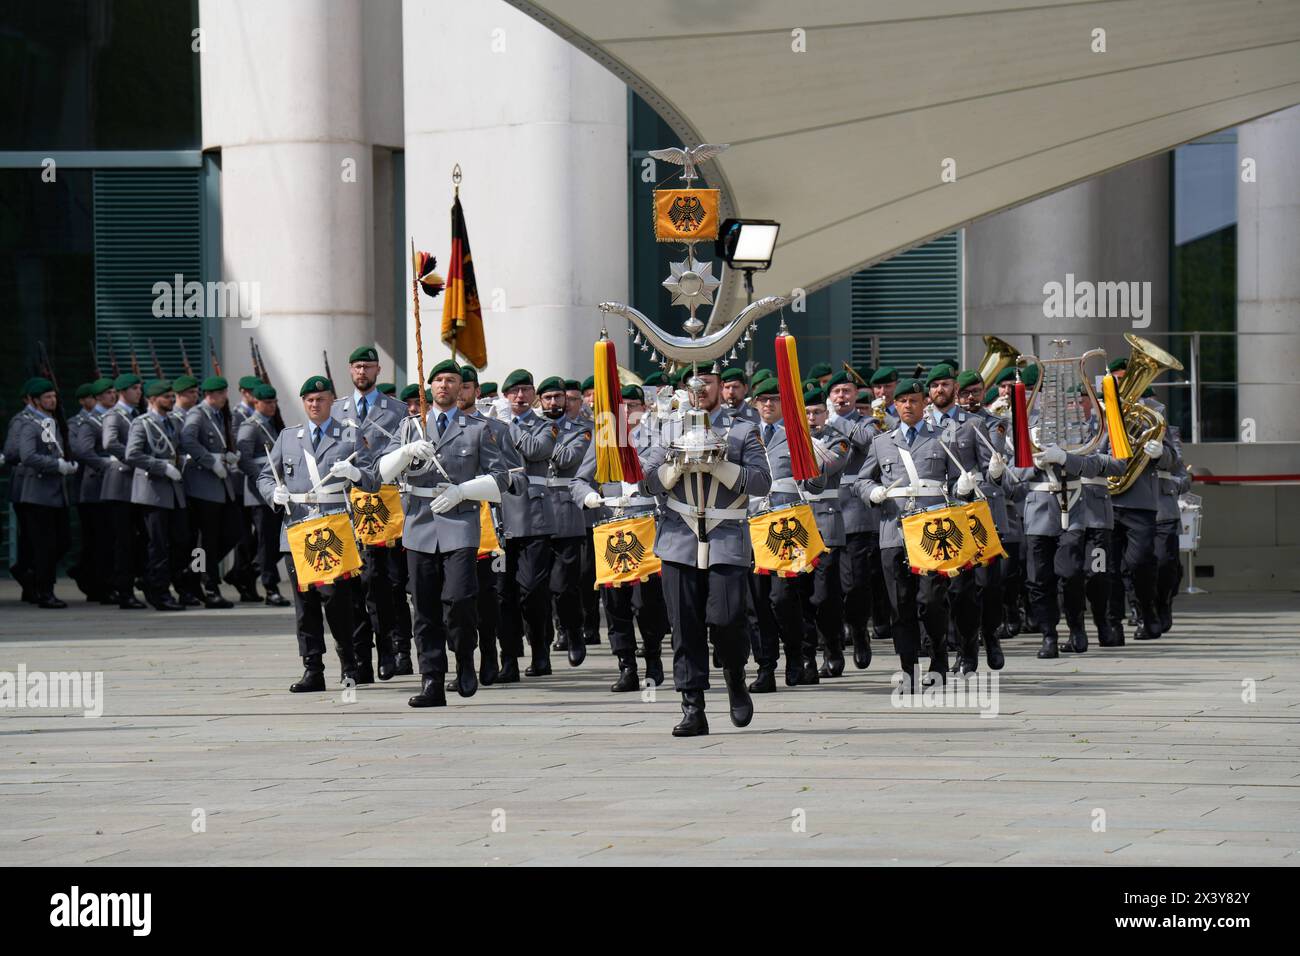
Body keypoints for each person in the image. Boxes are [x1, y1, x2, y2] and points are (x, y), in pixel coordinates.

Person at [641, 363, 771, 737]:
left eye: (708, 383)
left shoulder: (743, 430)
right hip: (678, 536)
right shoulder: (667, 430)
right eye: (693, 384)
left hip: (726, 534)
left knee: (728, 619)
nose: (700, 390)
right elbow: (647, 480)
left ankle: (734, 677)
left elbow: (762, 482)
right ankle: (692, 705)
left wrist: (720, 467)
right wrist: (673, 470)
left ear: (719, 387)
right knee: (684, 625)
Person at [377, 359, 508, 707]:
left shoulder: (478, 428)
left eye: (451, 380)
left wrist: (464, 491)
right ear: (429, 387)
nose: (444, 386)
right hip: (419, 524)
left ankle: (465, 656)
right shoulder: (410, 428)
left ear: (461, 388)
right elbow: (381, 473)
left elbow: (502, 479)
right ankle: (431, 680)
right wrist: (405, 452)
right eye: (438, 380)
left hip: (460, 521)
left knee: (461, 599)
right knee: (424, 607)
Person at [256, 375, 380, 692]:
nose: (315, 404)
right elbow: (265, 477)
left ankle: (350, 664)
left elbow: (372, 480)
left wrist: (354, 473)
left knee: (337, 602)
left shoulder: (350, 436)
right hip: (297, 530)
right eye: (309, 400)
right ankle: (313, 668)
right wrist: (273, 493)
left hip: (332, 529)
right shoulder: (288, 437)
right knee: (304, 605)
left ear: (331, 401)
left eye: (321, 399)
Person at [855, 378, 977, 688]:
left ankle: (937, 657)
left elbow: (958, 480)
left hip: (932, 532)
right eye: (903, 401)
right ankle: (907, 666)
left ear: (925, 404)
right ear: (895, 405)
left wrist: (962, 488)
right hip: (893, 531)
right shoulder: (882, 441)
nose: (908, 406)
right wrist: (873, 491)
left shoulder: (943, 439)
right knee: (900, 603)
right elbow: (861, 480)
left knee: (930, 600)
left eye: (914, 400)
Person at [1007, 386, 1125, 657]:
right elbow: (1012, 473)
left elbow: (1110, 464)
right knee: (1039, 579)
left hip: (1080, 510)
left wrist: (1066, 458)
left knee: (1081, 574)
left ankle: (1086, 626)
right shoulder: (1027, 429)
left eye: (1073, 400)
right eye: (1055, 400)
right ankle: (1049, 635)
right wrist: (1034, 465)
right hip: (1041, 511)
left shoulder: (1093, 430)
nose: (1064, 405)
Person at [574, 384, 667, 691]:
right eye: (621, 405)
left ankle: (653, 657)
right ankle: (626, 663)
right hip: (612, 525)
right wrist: (587, 496)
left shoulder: (658, 437)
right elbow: (579, 480)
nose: (627, 410)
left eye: (633, 404)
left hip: (646, 524)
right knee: (615, 602)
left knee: (647, 602)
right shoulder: (604, 439)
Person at [332, 346, 411, 682]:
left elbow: (399, 453)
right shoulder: (337, 409)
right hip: (346, 506)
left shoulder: (395, 409)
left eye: (367, 366)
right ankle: (359, 658)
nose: (361, 372)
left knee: (383, 582)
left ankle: (391, 648)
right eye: (356, 366)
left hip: (381, 504)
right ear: (350, 370)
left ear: (379, 370)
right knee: (351, 586)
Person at [453, 367, 523, 685]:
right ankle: (462, 660)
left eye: (466, 386)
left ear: (476, 391)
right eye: (456, 386)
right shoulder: (438, 428)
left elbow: (512, 476)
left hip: (487, 525)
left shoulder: (495, 428)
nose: (460, 393)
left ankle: (495, 656)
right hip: (450, 523)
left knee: (490, 596)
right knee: (456, 598)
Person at [497, 369, 559, 679]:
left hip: (533, 519)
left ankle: (540, 650)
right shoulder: (491, 425)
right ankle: (508, 659)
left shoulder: (545, 426)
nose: (519, 396)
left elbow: (537, 451)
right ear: (505, 396)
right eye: (514, 391)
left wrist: (509, 426)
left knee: (533, 590)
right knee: (503, 594)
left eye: (525, 390)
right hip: (500, 518)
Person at [828, 369, 891, 670]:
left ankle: (858, 629)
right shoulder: (817, 423)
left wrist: (836, 421)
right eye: (836, 392)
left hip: (854, 512)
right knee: (827, 585)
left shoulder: (863, 421)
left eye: (846, 392)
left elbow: (871, 441)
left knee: (855, 583)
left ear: (855, 396)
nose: (841, 397)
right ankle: (832, 642)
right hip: (822, 511)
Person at [537, 376, 591, 666]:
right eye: (548, 398)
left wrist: (539, 443)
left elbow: (569, 458)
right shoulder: (528, 428)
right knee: (535, 586)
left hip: (566, 516)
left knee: (564, 585)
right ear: (540, 401)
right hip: (534, 514)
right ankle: (541, 646)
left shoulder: (581, 431)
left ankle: (573, 631)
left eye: (559, 397)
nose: (555, 403)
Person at [125, 380, 190, 611]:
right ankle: (159, 593)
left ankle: (168, 586)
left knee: (180, 542)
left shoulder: (172, 421)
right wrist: (162, 467)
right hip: (152, 491)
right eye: (166, 397)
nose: (171, 400)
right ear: (153, 400)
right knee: (158, 545)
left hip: (173, 491)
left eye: (172, 397)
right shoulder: (142, 423)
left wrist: (182, 460)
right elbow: (132, 454)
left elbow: (177, 449)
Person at [181, 376, 243, 608]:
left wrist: (228, 455)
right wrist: (210, 461)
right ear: (211, 395)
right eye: (222, 393)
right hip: (203, 485)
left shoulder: (219, 416)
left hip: (221, 484)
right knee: (207, 539)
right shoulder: (199, 414)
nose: (225, 397)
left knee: (232, 531)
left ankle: (194, 573)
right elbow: (187, 440)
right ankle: (209, 585)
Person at [14, 378, 75, 607]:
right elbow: (27, 455)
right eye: (47, 397)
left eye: (54, 396)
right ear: (35, 401)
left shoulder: (52, 422)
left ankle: (32, 577)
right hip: (38, 492)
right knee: (45, 545)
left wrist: (68, 463)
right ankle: (45, 591)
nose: (52, 400)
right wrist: (56, 465)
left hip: (56, 492)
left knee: (63, 542)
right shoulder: (30, 424)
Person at [236, 384, 290, 606]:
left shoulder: (272, 424)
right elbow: (245, 459)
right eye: (267, 403)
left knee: (274, 540)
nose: (272, 406)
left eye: (274, 402)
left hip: (276, 490)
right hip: (261, 493)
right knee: (267, 541)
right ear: (256, 403)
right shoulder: (251, 426)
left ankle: (243, 573)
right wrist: (264, 481)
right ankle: (270, 586)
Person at [102, 373, 147, 609]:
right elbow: (109, 443)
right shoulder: (114, 415)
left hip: (137, 485)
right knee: (124, 542)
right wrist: (135, 458)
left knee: (141, 539)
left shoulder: (138, 415)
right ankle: (124, 591)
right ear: (122, 392)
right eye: (134, 389)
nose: (138, 392)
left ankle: (139, 581)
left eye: (139, 388)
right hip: (120, 484)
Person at [68, 380, 114, 604]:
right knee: (96, 540)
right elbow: (81, 451)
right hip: (93, 488)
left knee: (110, 539)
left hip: (117, 488)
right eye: (108, 393)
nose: (113, 396)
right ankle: (94, 582)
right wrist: (109, 464)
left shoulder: (119, 417)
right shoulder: (82, 422)